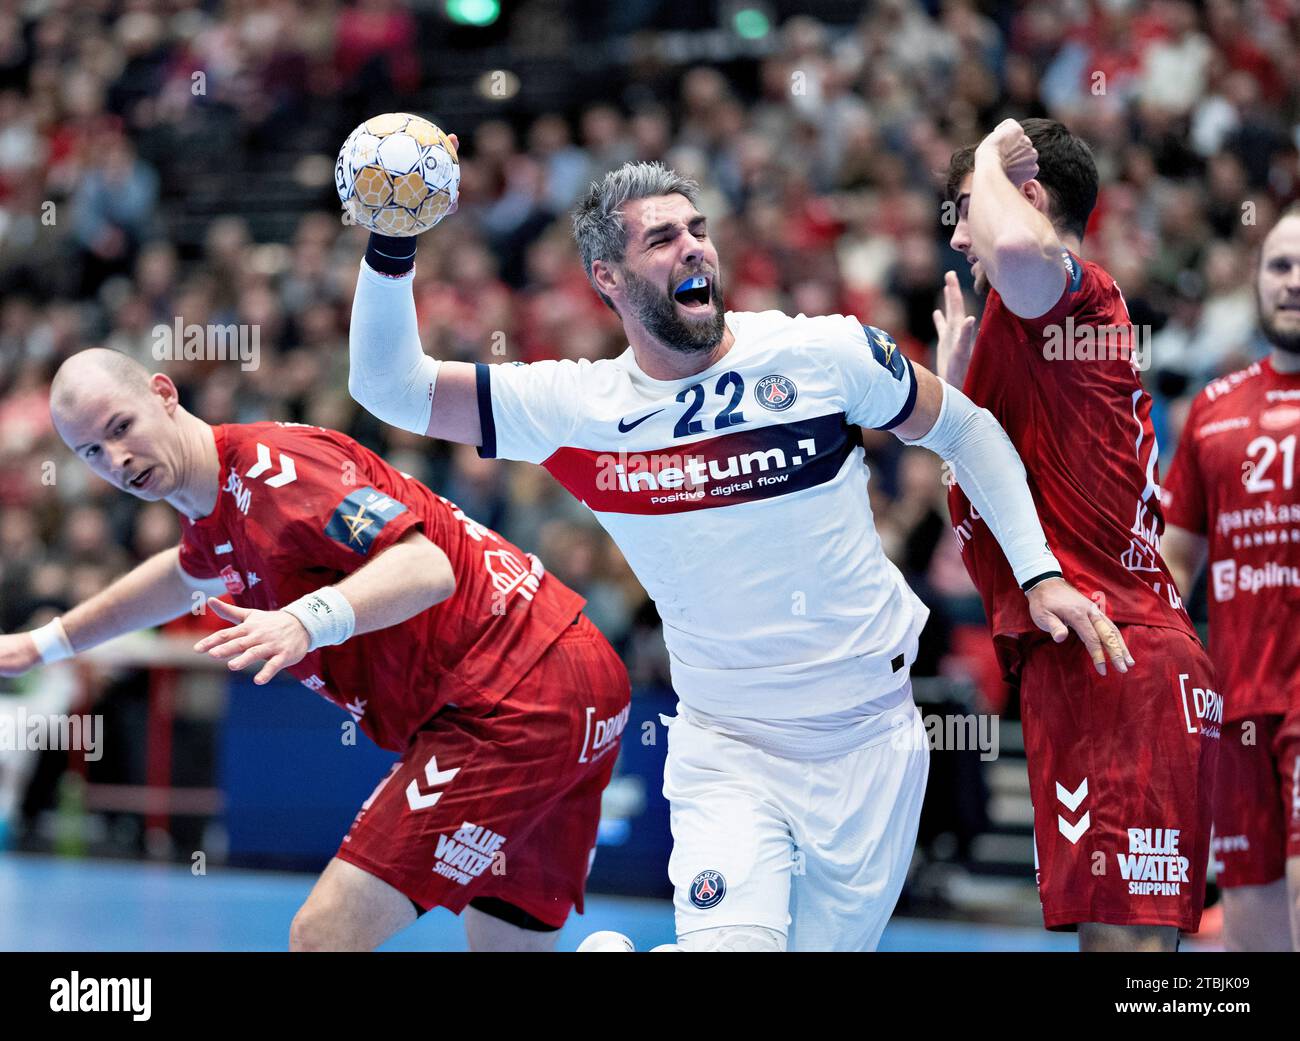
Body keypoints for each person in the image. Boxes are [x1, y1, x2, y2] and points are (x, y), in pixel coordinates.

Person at [347, 156, 1131, 952]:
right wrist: (392, 240)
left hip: (873, 739)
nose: (693, 248)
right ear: (607, 277)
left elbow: (966, 427)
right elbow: (390, 386)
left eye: (698, 230)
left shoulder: (821, 353)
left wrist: (1040, 574)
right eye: (661, 239)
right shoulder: (575, 406)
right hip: (729, 745)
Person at [0, 347, 630, 952]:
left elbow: (425, 568)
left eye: (121, 426)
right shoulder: (212, 513)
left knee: (324, 935)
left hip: (515, 689)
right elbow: (178, 576)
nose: (116, 456)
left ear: (164, 394)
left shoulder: (275, 469)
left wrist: (306, 621)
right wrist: (46, 642)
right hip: (570, 676)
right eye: (91, 450)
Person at [940, 117, 1218, 951]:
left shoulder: (1071, 292)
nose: (958, 236)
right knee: (1111, 942)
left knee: (1125, 948)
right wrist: (954, 395)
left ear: (1026, 196)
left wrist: (990, 150)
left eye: (964, 209)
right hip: (1093, 655)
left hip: (1119, 654)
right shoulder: (1028, 339)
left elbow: (1021, 251)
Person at [1162, 204, 1300, 951]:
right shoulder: (1214, 410)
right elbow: (1179, 557)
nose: (1293, 281)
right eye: (1279, 264)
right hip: (1240, 702)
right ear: (1255, 280)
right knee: (1252, 930)